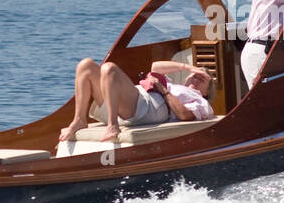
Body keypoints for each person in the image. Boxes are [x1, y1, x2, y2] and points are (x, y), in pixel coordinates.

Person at [58, 59, 215, 145]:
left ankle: (113, 125)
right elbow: (155, 66)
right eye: (195, 74)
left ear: (207, 91)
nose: (197, 76)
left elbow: (185, 115)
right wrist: (188, 67)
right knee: (85, 66)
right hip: (130, 103)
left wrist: (163, 90)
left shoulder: (200, 100)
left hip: (149, 109)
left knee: (109, 68)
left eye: (203, 78)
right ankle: (79, 119)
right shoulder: (175, 84)